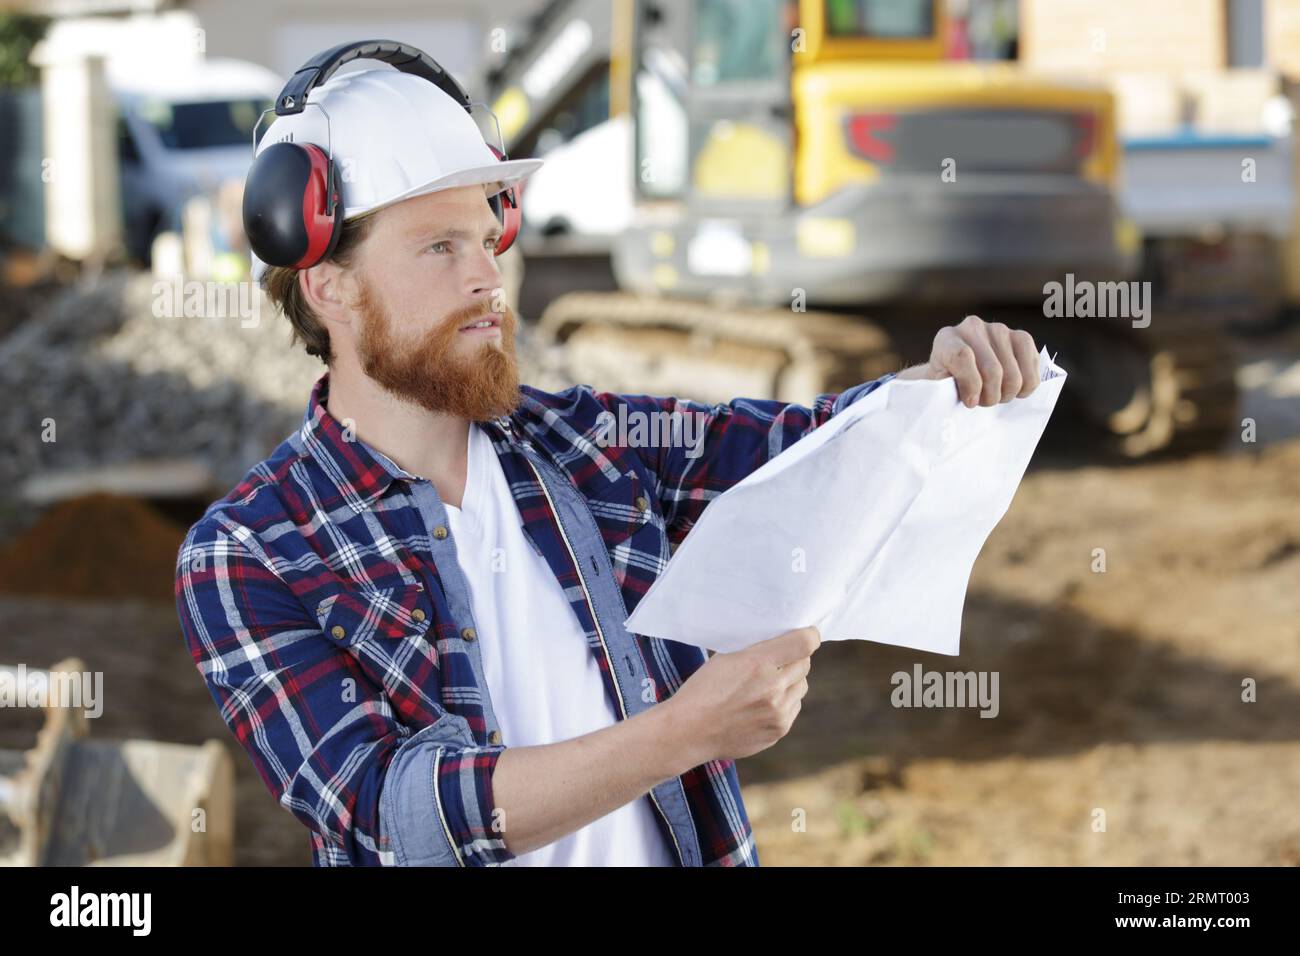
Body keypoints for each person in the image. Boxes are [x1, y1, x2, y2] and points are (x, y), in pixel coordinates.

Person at [175, 49, 1041, 868]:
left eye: (488, 236)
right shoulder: (249, 552)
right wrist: (686, 732)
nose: (486, 278)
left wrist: (932, 386)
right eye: (439, 246)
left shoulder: (585, 445)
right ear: (328, 285)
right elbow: (395, 818)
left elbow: (795, 451)